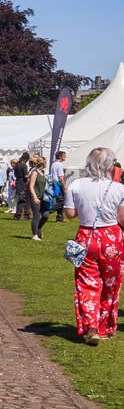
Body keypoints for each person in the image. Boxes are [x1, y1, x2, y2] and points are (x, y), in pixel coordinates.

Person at [65, 147, 124, 345]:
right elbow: (122, 219)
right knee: (111, 283)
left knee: (86, 282)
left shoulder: (76, 184)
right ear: (110, 165)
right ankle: (105, 326)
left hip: (86, 236)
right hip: (111, 238)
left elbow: (70, 214)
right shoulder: (118, 188)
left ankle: (91, 325)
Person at [28, 155, 51, 241]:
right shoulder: (35, 172)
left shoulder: (43, 173)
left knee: (46, 215)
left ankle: (38, 229)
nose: (46, 164)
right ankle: (34, 235)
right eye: (45, 162)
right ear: (42, 163)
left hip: (43, 198)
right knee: (36, 216)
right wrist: (34, 197)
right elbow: (31, 186)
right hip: (36, 197)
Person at [12, 152, 32, 220]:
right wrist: (31, 173)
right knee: (23, 200)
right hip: (22, 183)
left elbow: (15, 175)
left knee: (22, 200)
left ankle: (25, 215)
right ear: (26, 159)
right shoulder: (24, 165)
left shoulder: (17, 164)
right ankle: (19, 215)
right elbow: (26, 176)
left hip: (18, 182)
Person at [50, 150, 68, 222]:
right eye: (64, 155)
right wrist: (64, 186)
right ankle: (48, 211)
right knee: (60, 201)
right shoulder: (60, 165)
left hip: (54, 183)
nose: (65, 157)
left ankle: (60, 217)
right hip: (58, 184)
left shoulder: (54, 164)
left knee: (60, 200)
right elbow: (60, 177)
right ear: (60, 157)